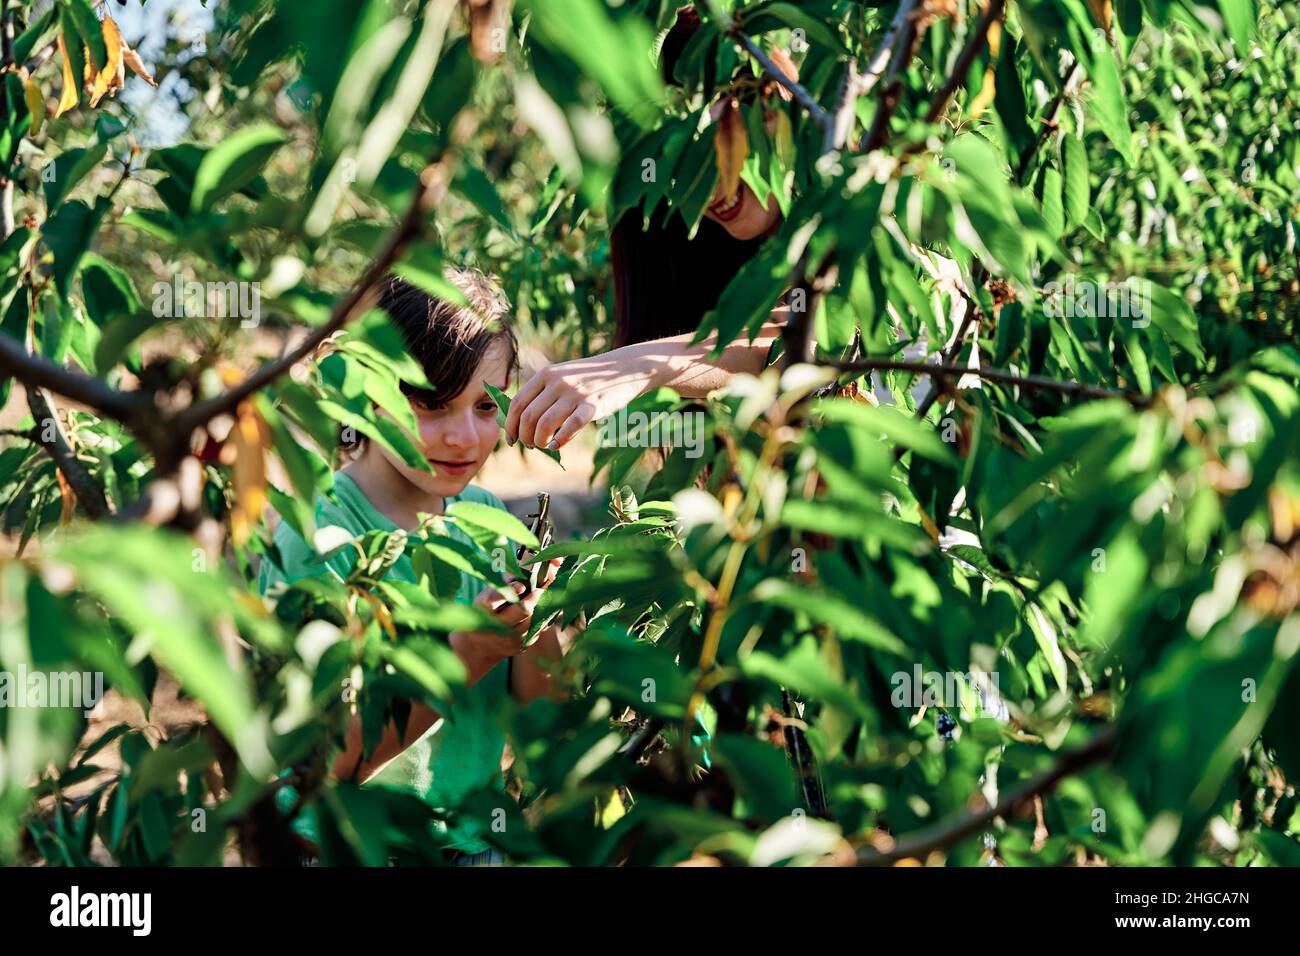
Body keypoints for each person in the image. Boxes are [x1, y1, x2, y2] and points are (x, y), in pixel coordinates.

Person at [259, 269, 566, 864]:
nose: (462, 437)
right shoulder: (320, 535)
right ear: (363, 391)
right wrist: (465, 656)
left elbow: (542, 720)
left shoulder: (487, 518)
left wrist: (534, 625)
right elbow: (320, 764)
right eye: (429, 403)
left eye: (485, 405)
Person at [505, 8, 793, 451]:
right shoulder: (693, 254)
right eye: (672, 167)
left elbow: (792, 332)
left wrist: (635, 367)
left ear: (774, 102)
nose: (701, 187)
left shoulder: (870, 201)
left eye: (713, 141)